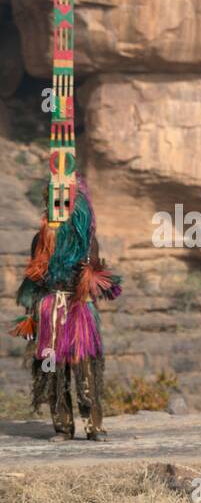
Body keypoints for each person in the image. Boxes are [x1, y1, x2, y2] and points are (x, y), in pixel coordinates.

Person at [11, 173, 121, 441]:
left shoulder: (87, 240)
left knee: (84, 369)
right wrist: (31, 319)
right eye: (54, 200)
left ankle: (94, 427)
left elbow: (98, 277)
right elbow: (34, 279)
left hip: (78, 309)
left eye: (66, 200)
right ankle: (62, 428)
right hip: (49, 310)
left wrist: (90, 275)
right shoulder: (40, 240)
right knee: (52, 371)